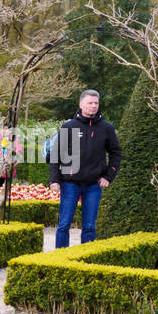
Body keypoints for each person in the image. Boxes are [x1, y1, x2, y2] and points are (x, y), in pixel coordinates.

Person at [49, 89, 120, 248]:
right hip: (70, 184)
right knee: (64, 225)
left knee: (89, 227)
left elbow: (116, 153)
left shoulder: (106, 128)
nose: (93, 106)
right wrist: (54, 180)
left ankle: (85, 259)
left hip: (94, 185)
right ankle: (60, 258)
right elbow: (56, 154)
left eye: (96, 103)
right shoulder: (69, 126)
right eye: (90, 103)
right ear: (81, 104)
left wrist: (108, 177)